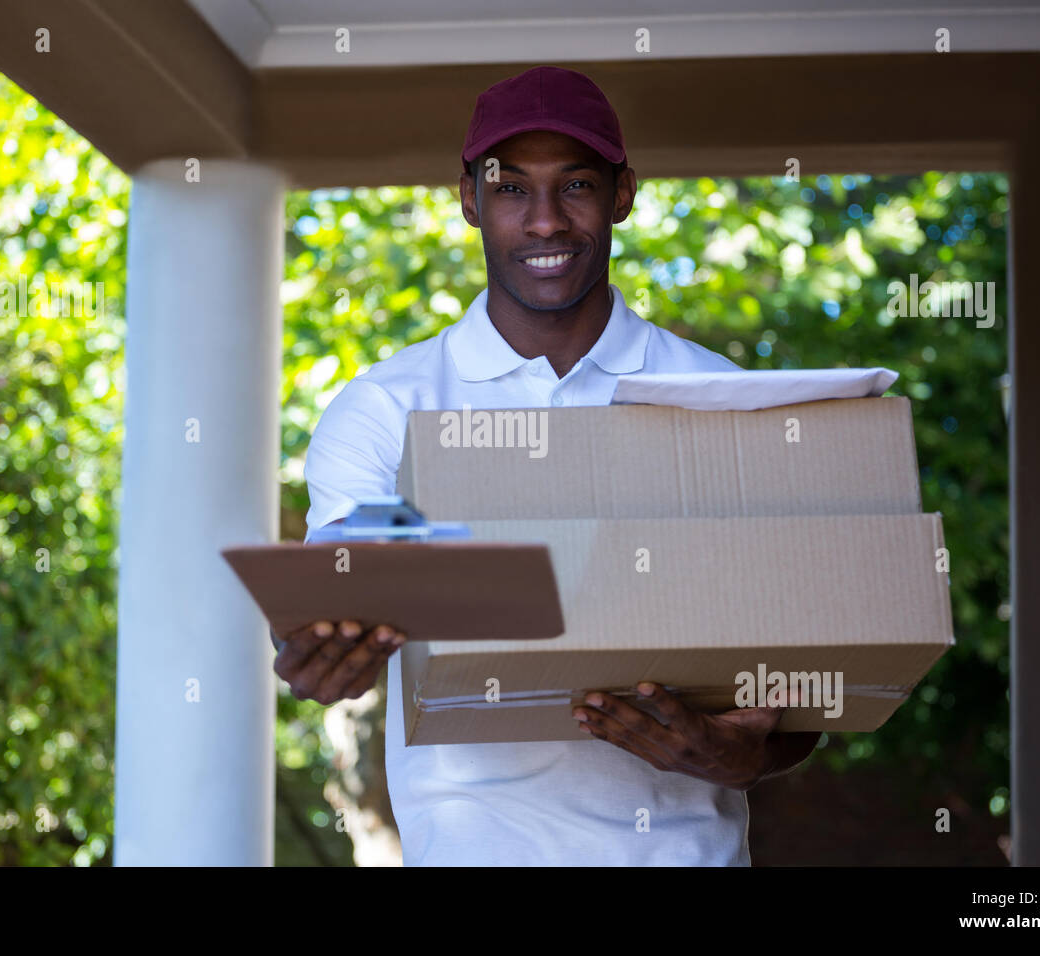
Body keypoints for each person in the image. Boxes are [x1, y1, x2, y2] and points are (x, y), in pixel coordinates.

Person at [271, 65, 820, 865]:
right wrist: (323, 655)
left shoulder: (720, 401)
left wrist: (746, 758)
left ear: (624, 195)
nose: (544, 222)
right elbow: (349, 582)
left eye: (577, 186)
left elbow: (807, 678)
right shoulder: (387, 407)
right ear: (469, 201)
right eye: (510, 189)